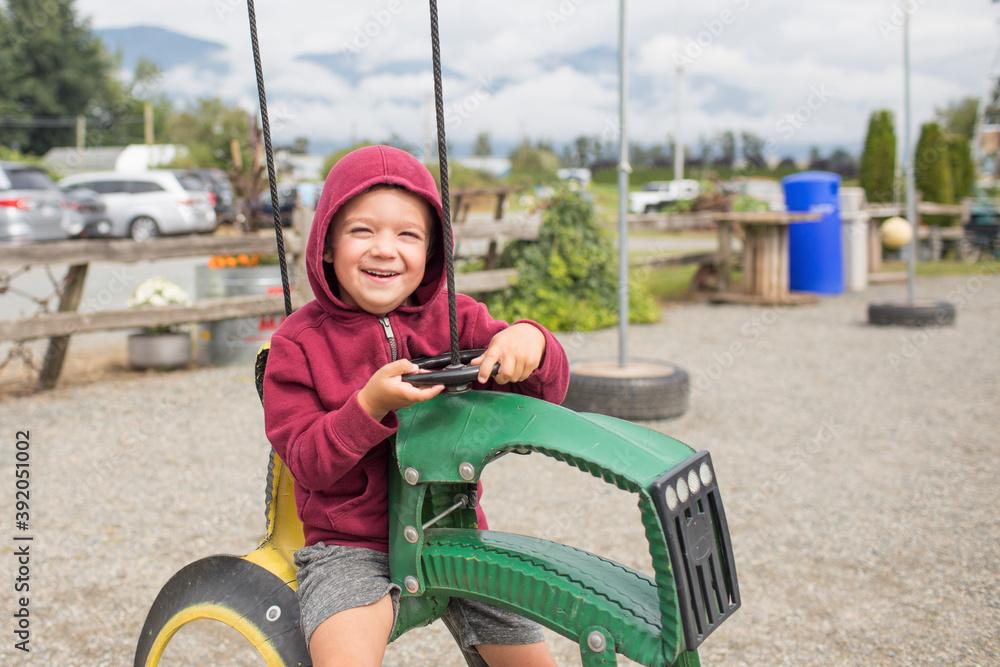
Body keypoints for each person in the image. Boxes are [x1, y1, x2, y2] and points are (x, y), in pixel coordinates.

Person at [263, 144, 569, 667]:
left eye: (408, 234)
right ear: (327, 246)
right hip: (349, 549)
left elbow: (548, 389)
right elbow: (308, 463)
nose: (385, 249)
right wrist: (369, 406)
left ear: (431, 252)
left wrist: (531, 340)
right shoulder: (298, 345)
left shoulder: (457, 319)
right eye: (363, 230)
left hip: (455, 530)